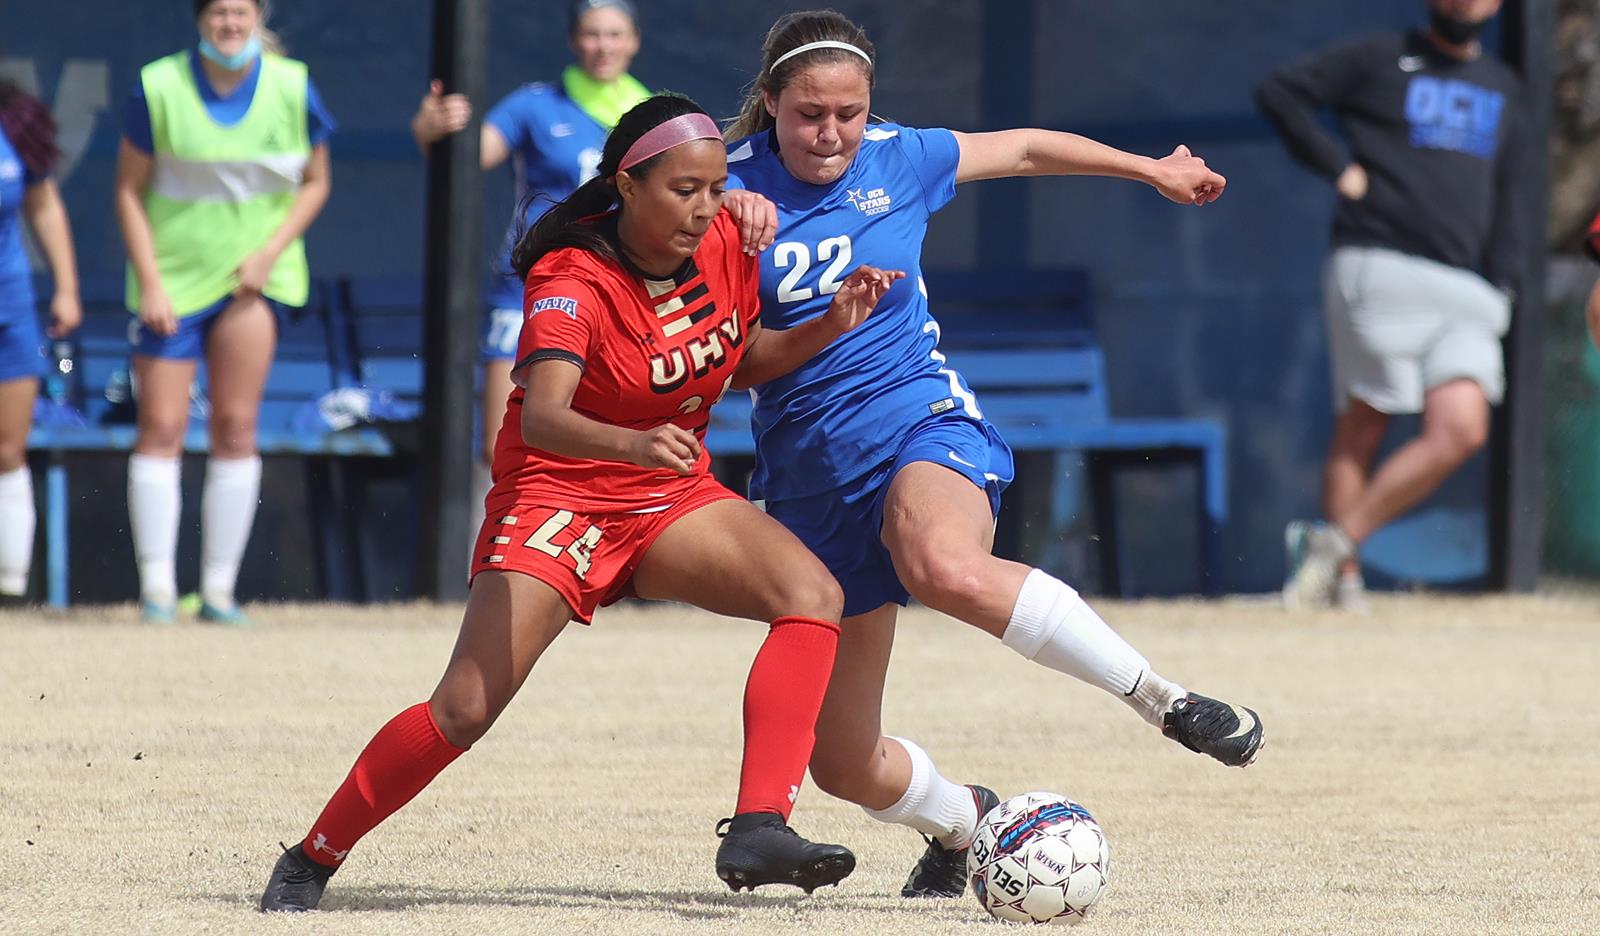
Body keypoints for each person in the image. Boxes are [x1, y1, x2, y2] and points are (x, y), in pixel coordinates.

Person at [259, 93, 906, 913]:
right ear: (628, 185)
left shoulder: (725, 244)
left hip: (664, 494)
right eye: (683, 190)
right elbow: (552, 416)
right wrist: (636, 443)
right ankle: (313, 856)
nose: (704, 208)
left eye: (715, 188)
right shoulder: (573, 277)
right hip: (558, 494)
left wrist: (830, 324)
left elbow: (730, 359)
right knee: (463, 708)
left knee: (812, 596)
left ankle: (758, 826)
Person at [718, 9, 1264, 901]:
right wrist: (713, 209)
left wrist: (1151, 169)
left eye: (849, 113)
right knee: (845, 765)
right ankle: (965, 823)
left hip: (918, 418)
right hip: (811, 473)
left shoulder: (902, 155)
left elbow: (1026, 150)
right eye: (809, 114)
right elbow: (724, 353)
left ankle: (1164, 700)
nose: (831, 133)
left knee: (940, 561)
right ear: (770, 102)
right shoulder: (724, 189)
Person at [1256, 0, 1530, 611]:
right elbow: (1280, 93)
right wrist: (1339, 167)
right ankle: (1342, 580)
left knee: (1461, 430)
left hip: (1467, 287)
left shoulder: (1505, 87)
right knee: (1366, 420)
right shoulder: (1380, 57)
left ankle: (1332, 546)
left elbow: (1514, 193)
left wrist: (1507, 283)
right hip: (1378, 262)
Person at [115, 0, 335, 623]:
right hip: (171, 284)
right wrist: (151, 282)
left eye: (240, 13)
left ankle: (218, 591)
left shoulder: (292, 85)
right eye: (218, 13)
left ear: (257, 15)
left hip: (250, 284)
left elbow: (317, 180)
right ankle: (156, 589)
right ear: (199, 19)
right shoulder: (159, 85)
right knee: (160, 428)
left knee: (236, 426)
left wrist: (269, 253)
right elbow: (128, 191)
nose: (230, 24)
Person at [409, 0, 653, 514]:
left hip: (616, 292)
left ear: (633, 41)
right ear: (572, 40)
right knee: (501, 440)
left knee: (609, 435)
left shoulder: (652, 114)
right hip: (525, 289)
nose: (602, 46)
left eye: (614, 35)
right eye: (591, 34)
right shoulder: (534, 104)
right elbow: (467, 157)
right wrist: (430, 133)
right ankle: (486, 563)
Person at [0, 81, 81, 606]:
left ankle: (9, 586)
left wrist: (67, 287)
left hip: (10, 309)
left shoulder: (14, 119)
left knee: (7, 448)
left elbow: (45, 207)